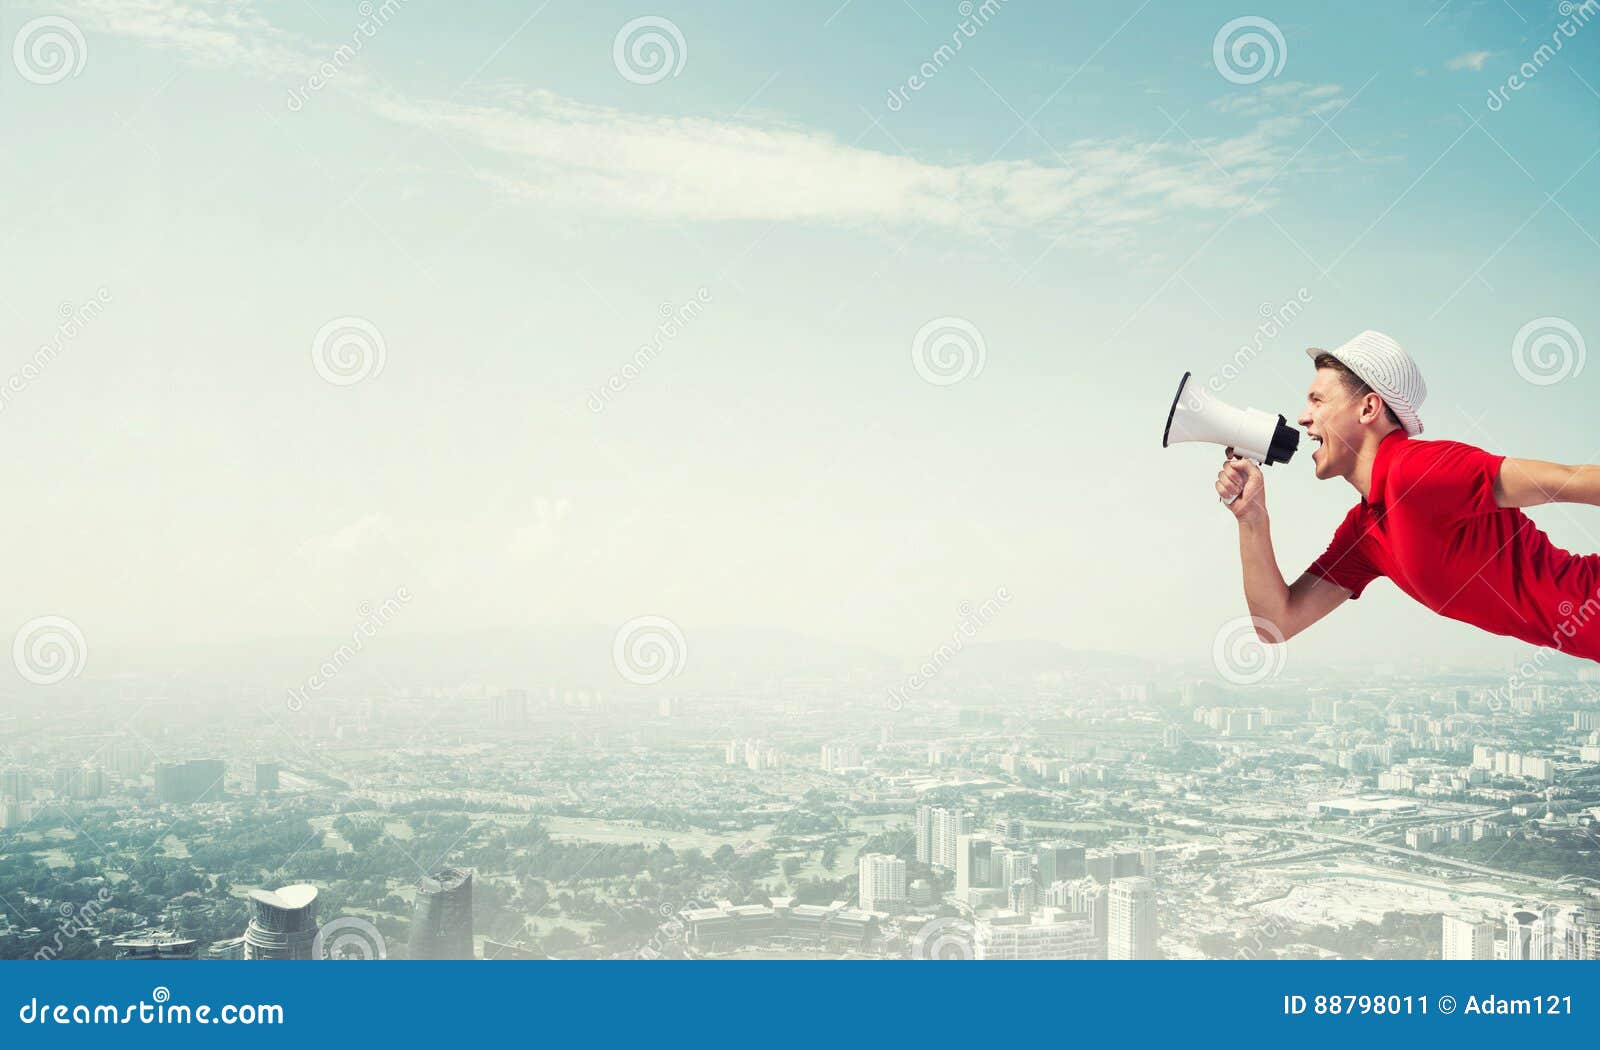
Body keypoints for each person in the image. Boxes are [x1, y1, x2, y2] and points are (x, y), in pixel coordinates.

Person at [1216, 330, 1600, 660]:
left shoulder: (1417, 470)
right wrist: (1252, 518)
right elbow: (1276, 624)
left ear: (1369, 408)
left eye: (1318, 400)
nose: (1302, 416)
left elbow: (1567, 479)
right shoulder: (1365, 532)